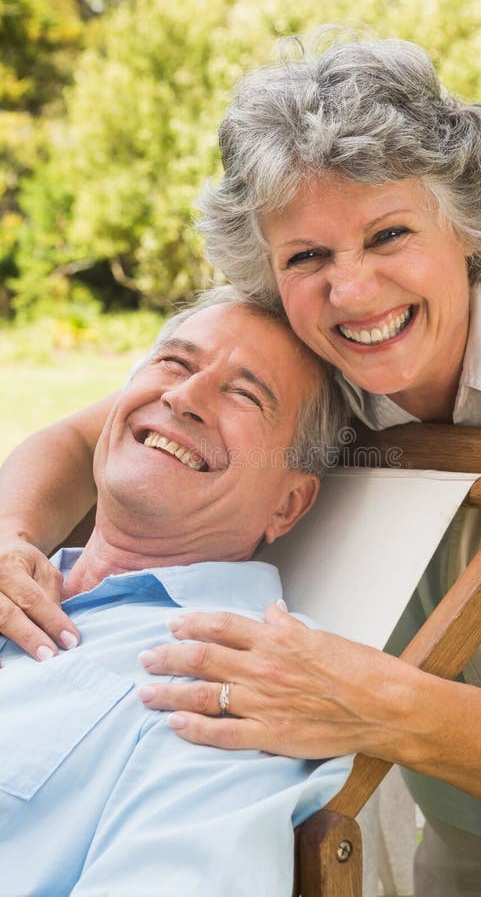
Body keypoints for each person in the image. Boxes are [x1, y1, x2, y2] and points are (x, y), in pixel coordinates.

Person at [1, 29, 481, 896]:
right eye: (307, 256)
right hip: (455, 822)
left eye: (389, 234)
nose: (351, 292)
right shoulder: (303, 346)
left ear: (465, 229)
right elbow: (85, 439)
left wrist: (381, 704)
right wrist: (12, 538)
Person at [0, 288, 353, 897]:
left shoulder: (243, 676)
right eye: (174, 363)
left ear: (288, 503)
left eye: (245, 394)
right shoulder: (23, 570)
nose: (183, 398)